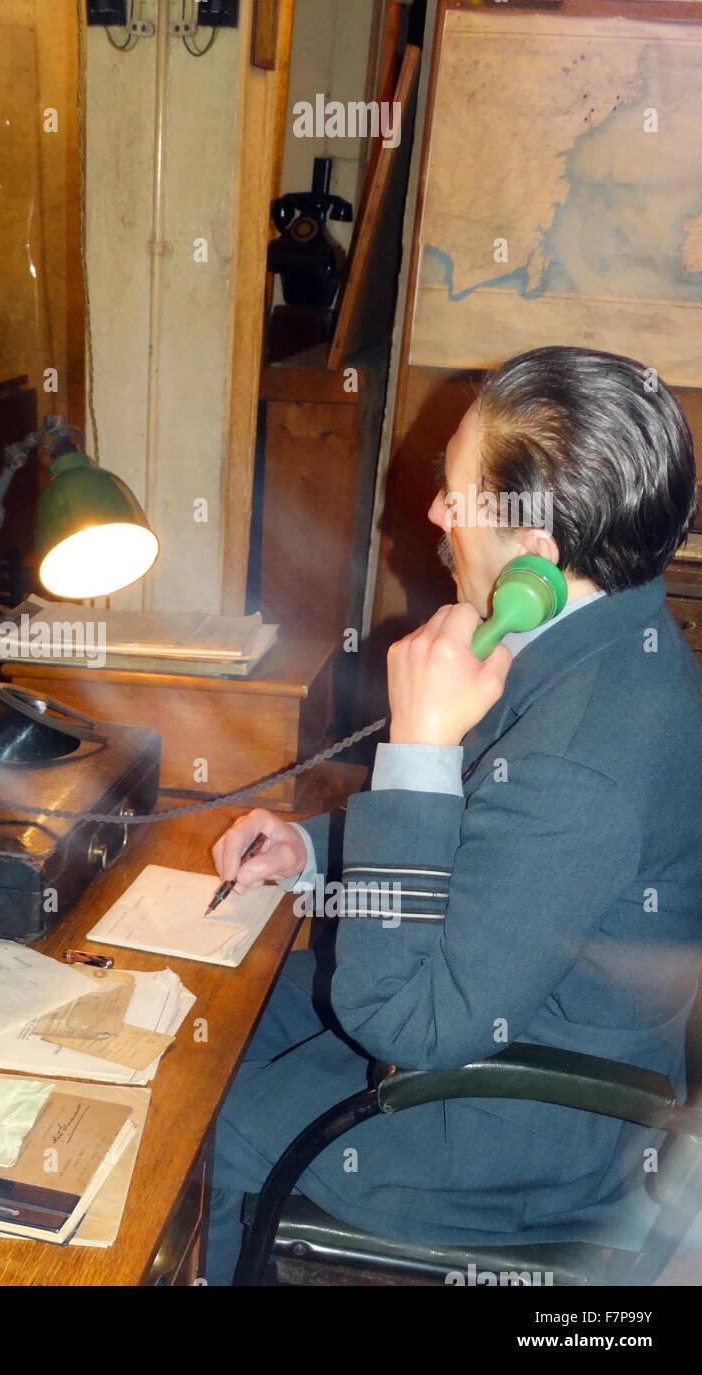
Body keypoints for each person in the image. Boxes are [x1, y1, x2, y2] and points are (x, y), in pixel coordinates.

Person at [207, 345, 702, 1285]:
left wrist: (421, 748)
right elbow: (485, 837)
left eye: (457, 492)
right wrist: (311, 849)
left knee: (208, 1120)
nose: (436, 511)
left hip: (520, 1123)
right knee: (220, 1007)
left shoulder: (583, 761)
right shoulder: (601, 621)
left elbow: (408, 1023)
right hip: (507, 998)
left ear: (539, 556)